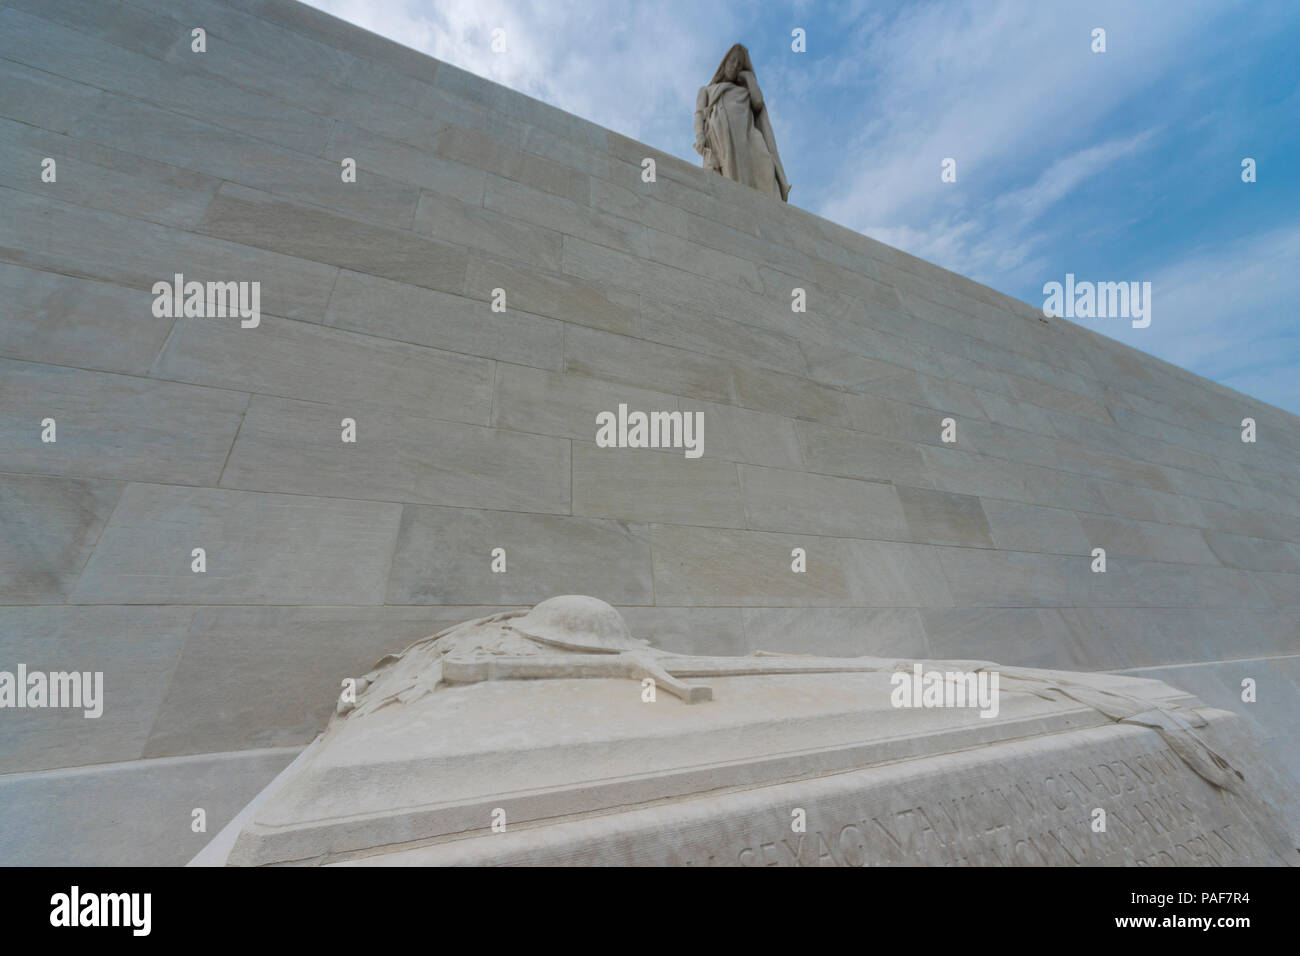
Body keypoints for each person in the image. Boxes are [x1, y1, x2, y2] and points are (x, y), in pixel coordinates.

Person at [693, 43, 792, 202]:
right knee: (732, 179)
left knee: (766, 165)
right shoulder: (706, 90)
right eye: (732, 61)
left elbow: (758, 103)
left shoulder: (745, 91)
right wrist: (700, 136)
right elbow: (699, 115)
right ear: (724, 64)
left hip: (748, 136)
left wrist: (749, 78)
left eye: (739, 64)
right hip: (724, 137)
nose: (735, 66)